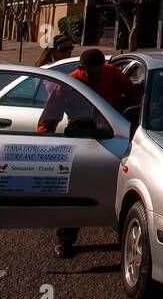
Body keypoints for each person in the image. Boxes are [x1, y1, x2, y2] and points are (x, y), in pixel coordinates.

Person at [37, 49, 142, 259]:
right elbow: (49, 117)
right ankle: (65, 240)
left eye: (100, 70)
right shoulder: (70, 84)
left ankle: (123, 232)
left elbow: (133, 94)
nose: (98, 75)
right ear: (82, 69)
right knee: (77, 190)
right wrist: (43, 144)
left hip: (113, 135)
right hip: (82, 137)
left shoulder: (112, 72)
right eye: (93, 73)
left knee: (118, 185)